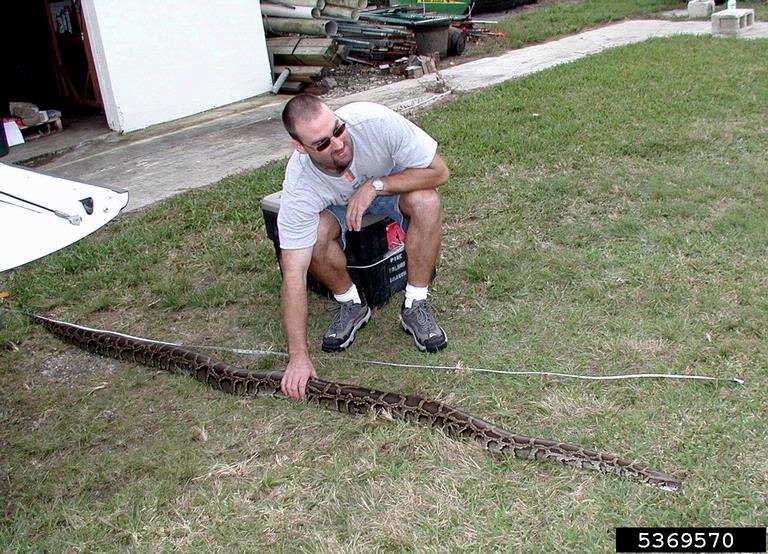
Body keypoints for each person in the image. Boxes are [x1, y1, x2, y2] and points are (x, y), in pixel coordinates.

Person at [277, 94, 449, 400]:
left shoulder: (375, 122)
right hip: (338, 207)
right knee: (312, 235)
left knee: (427, 201)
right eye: (322, 144)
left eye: (338, 130)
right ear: (300, 148)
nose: (338, 143)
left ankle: (415, 304)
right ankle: (351, 303)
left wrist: (376, 185)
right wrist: (298, 357)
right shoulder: (300, 185)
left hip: (392, 186)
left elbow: (439, 172)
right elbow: (293, 274)